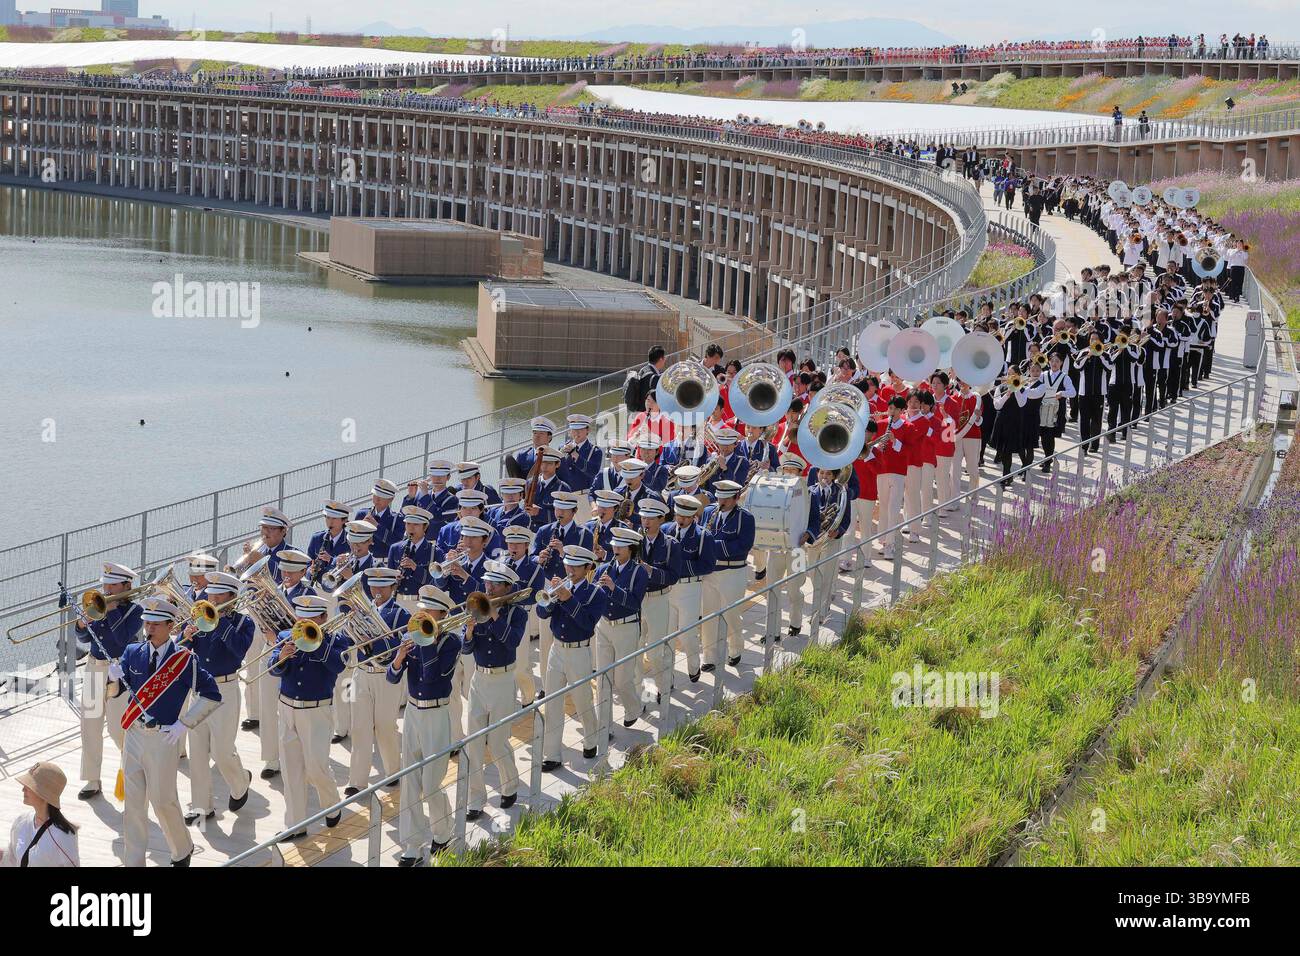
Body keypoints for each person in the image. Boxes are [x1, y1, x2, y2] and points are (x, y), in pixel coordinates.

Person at [111, 597, 222, 866]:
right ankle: (133, 861)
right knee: (134, 806)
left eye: (156, 625)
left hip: (164, 737)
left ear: (171, 626)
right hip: (134, 735)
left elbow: (212, 695)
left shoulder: (184, 660)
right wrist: (111, 679)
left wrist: (185, 723)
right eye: (147, 623)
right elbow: (116, 692)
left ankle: (182, 849)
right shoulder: (132, 652)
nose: (149, 629)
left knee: (162, 800)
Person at [387, 585, 461, 866]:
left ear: (441, 614)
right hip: (413, 715)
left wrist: (425, 642)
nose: (421, 616)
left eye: (428, 612)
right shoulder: (412, 636)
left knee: (431, 784)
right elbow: (392, 679)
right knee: (410, 782)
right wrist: (398, 659)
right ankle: (411, 845)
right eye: (421, 611)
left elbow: (434, 677)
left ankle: (443, 831)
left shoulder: (450, 642)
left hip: (437, 715)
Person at [268, 595, 348, 841]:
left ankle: (331, 803)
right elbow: (273, 668)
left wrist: (318, 643)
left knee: (316, 767)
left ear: (324, 618)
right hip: (287, 707)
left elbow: (338, 667)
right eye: (300, 618)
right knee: (291, 770)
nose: (304, 623)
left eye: (311, 619)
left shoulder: (337, 641)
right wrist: (282, 655)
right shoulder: (285, 637)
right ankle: (295, 824)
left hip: (316, 711)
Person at [178, 571, 253, 825]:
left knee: (222, 751)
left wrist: (219, 621)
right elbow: (180, 652)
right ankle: (201, 806)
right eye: (211, 593)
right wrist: (185, 637)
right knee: (197, 751)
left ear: (231, 597)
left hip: (225, 689)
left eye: (219, 594)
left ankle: (240, 782)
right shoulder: (198, 618)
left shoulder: (243, 623)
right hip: (199, 689)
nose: (212, 597)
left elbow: (238, 651)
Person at [462, 562, 526, 820]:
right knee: (474, 744)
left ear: (507, 588)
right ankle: (475, 800)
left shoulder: (517, 613)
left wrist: (494, 616)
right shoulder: (476, 610)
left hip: (503, 679)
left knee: (498, 742)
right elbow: (466, 650)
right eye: (487, 583)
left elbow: (512, 641)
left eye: (494, 584)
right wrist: (467, 632)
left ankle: (510, 786)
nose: (488, 588)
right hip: (479, 679)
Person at [73, 562, 143, 800]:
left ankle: (132, 769)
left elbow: (123, 638)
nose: (107, 589)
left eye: (113, 584)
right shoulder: (97, 605)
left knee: (117, 727)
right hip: (94, 666)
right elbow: (84, 637)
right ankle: (92, 779)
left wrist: (111, 610)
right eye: (106, 584)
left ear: (126, 585)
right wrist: (82, 624)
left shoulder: (134, 611)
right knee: (90, 725)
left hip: (119, 669)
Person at [536, 545, 608, 772]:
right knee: (552, 703)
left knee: (583, 700)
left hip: (579, 651)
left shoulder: (596, 593)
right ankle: (552, 754)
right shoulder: (559, 588)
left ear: (588, 567)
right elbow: (541, 613)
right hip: (556, 650)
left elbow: (587, 624)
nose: (570, 569)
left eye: (576, 566)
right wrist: (552, 598)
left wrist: (568, 600)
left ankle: (590, 741)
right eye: (568, 564)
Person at [343, 566, 406, 797]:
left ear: (392, 587)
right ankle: (356, 781)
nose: (376, 589)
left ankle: (392, 771)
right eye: (373, 585)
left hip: (385, 676)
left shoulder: (400, 614)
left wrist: (375, 640)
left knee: (385, 726)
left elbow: (400, 647)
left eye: (383, 585)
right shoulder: (360, 610)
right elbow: (346, 638)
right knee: (359, 728)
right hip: (361, 672)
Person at [594, 526, 649, 729]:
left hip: (627, 628)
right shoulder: (603, 569)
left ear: (631, 549)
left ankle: (633, 707)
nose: (615, 549)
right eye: (614, 545)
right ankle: (603, 726)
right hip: (604, 626)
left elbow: (634, 603)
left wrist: (613, 589)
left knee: (623, 680)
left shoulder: (639, 572)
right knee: (603, 679)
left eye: (620, 546)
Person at [699, 479, 755, 670]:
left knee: (732, 615)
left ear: (737, 497)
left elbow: (742, 546)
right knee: (708, 617)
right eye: (719, 497)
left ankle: (735, 649)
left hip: (733, 571)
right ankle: (709, 657)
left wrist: (711, 545)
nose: (721, 502)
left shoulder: (745, 518)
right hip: (710, 572)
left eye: (726, 499)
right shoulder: (708, 512)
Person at [1, 762, 79, 867]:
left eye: (29, 785)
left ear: (43, 794)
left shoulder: (64, 837)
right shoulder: (20, 821)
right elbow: (12, 857)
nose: (23, 789)